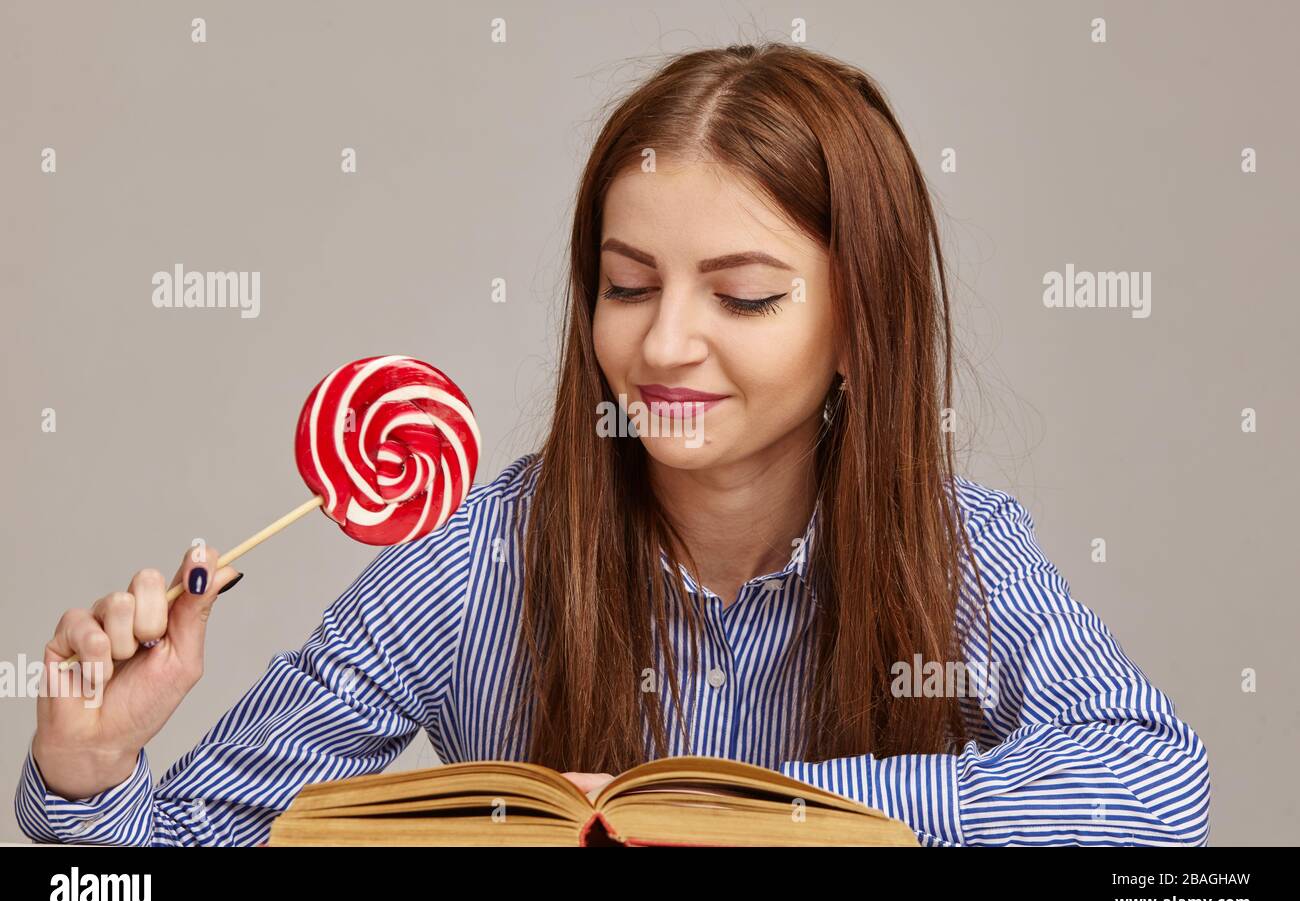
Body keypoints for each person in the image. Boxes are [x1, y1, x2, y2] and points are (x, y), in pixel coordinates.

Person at [16, 42, 1210, 847]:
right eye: (627, 285)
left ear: (859, 325)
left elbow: (1163, 788)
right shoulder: (472, 565)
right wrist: (92, 772)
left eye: (742, 297)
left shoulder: (961, 556)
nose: (666, 345)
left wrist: (755, 816)